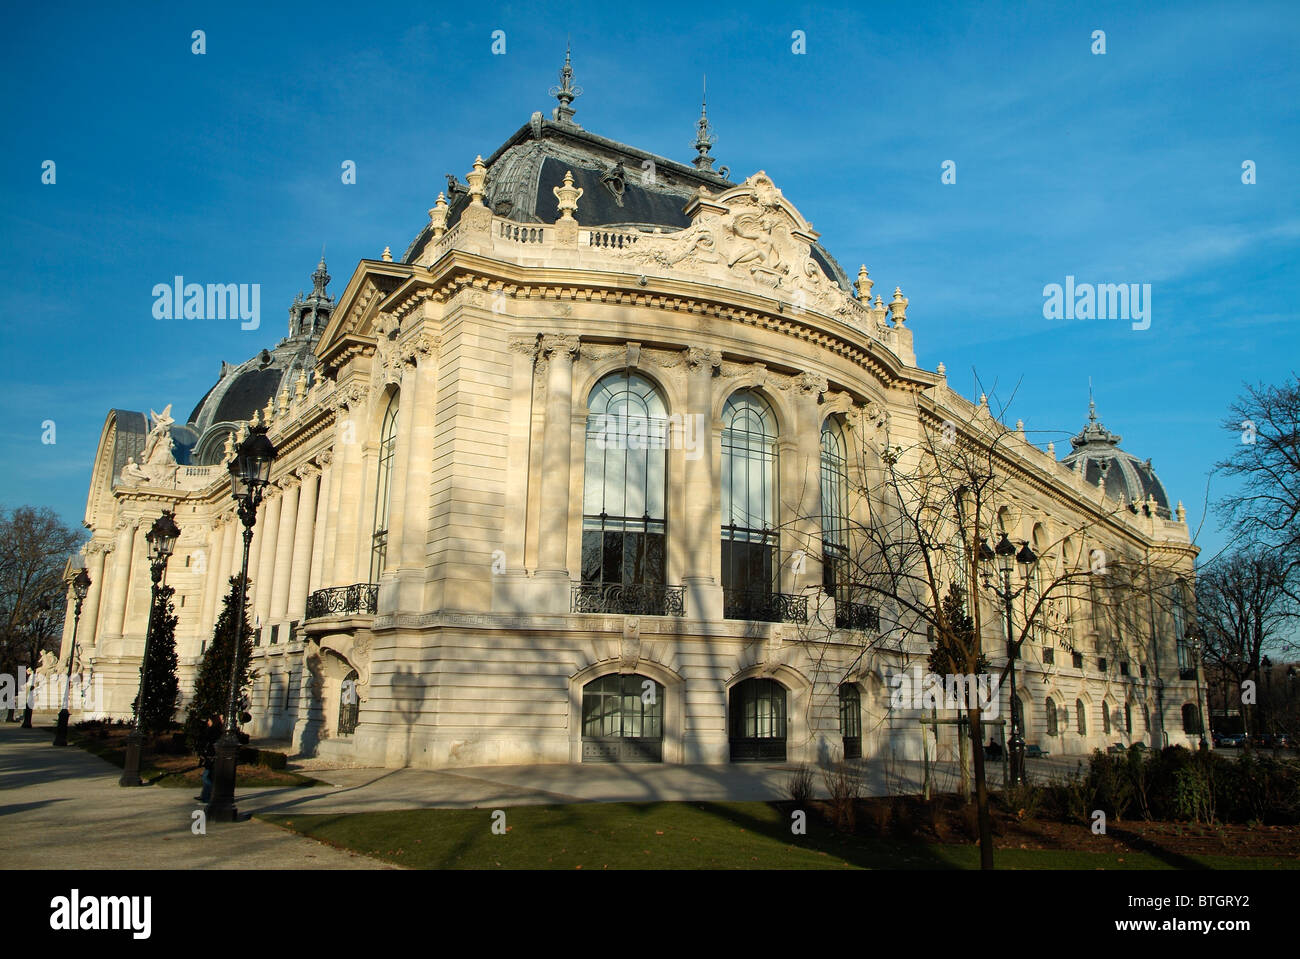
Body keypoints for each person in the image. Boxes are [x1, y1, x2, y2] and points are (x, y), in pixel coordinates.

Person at [196, 714, 223, 803]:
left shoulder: (214, 731)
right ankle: (204, 795)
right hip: (210, 757)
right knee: (207, 776)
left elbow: (209, 742)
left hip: (212, 757)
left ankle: (209, 796)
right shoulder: (212, 730)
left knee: (206, 777)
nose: (208, 722)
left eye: (209, 720)